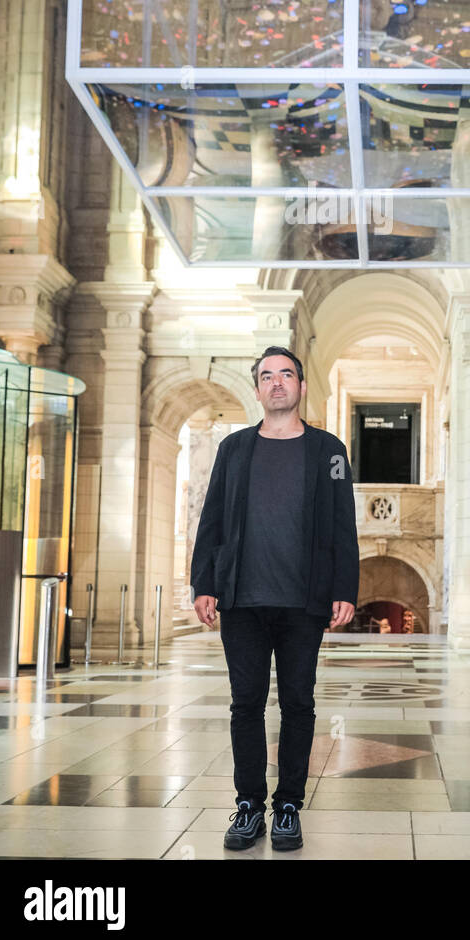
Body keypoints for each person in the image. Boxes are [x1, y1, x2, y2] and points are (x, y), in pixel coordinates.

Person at [190, 346, 359, 853]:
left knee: (298, 704)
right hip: (241, 599)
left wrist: (344, 589)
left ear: (301, 387)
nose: (278, 382)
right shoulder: (234, 449)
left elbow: (342, 525)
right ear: (258, 388)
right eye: (267, 375)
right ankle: (248, 807)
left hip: (302, 602)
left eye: (287, 374)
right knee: (245, 705)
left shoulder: (329, 450)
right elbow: (212, 518)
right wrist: (204, 583)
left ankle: (288, 806)